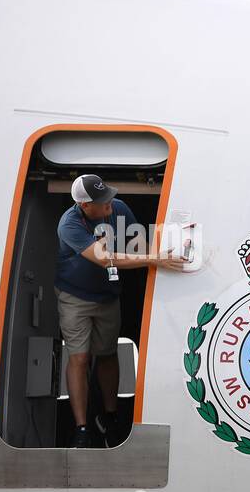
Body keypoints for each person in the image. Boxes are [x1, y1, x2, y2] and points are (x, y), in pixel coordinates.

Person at [56, 174, 185, 448]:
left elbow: (139, 244)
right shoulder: (69, 225)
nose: (111, 206)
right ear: (85, 205)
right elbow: (104, 259)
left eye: (110, 198)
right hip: (75, 297)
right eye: (104, 202)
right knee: (79, 357)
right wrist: (154, 260)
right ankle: (81, 428)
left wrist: (179, 247)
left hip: (107, 296)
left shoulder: (119, 208)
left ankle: (110, 416)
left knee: (107, 354)